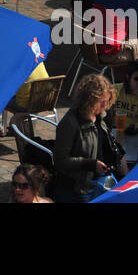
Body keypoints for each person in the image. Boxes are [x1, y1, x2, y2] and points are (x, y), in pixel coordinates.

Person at [51, 73, 123, 203]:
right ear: (89, 100)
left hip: (99, 180)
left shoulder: (100, 116)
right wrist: (89, 164)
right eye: (102, 102)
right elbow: (60, 160)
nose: (105, 106)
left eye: (107, 102)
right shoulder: (70, 123)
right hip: (78, 188)